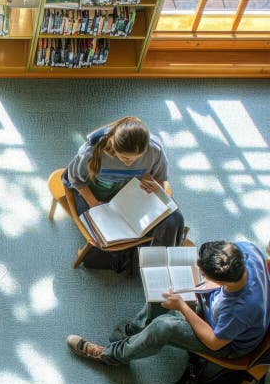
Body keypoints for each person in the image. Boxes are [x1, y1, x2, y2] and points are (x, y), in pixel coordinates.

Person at [67, 240, 270, 365]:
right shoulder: (245, 250)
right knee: (165, 287)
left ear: (220, 281)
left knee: (164, 326)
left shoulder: (239, 310)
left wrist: (182, 306)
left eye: (203, 272)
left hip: (227, 342)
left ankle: (111, 356)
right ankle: (136, 330)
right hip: (214, 306)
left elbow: (215, 342)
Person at [63, 116, 186, 271]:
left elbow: (159, 179)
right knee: (108, 237)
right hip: (91, 194)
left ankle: (156, 265)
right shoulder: (91, 152)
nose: (129, 163)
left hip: (127, 193)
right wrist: (94, 204)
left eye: (136, 159)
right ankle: (136, 259)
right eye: (124, 158)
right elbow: (77, 181)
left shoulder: (154, 149)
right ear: (113, 147)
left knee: (174, 220)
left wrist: (155, 188)